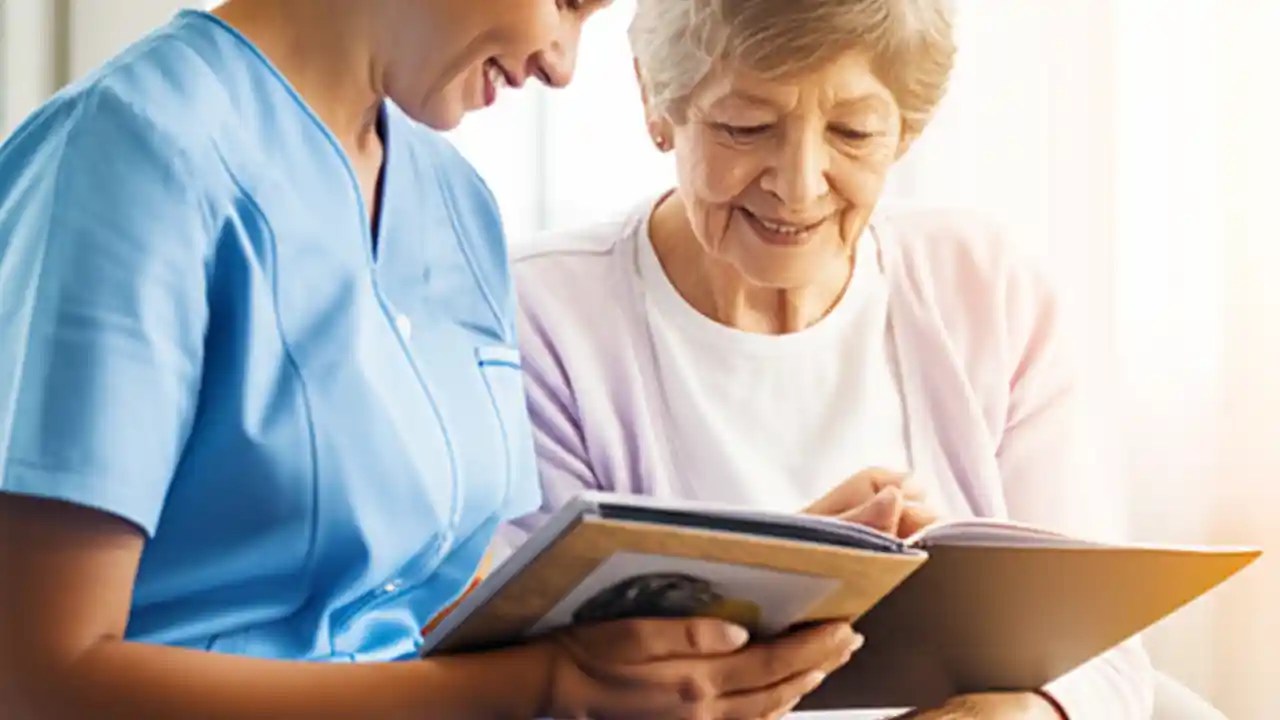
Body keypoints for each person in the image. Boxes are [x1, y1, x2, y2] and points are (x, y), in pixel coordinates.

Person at [0, 1, 863, 718]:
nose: (560, 65)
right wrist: (537, 686)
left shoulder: (452, 200)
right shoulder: (133, 154)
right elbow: (37, 676)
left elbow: (437, 594)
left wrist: (725, 602)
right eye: (564, 3)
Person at [504, 0, 1156, 717]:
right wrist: (786, 583)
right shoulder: (541, 316)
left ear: (905, 131)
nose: (799, 183)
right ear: (658, 103)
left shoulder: (986, 288)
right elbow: (523, 680)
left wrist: (1023, 711)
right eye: (745, 128)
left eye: (853, 132)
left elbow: (1106, 659)